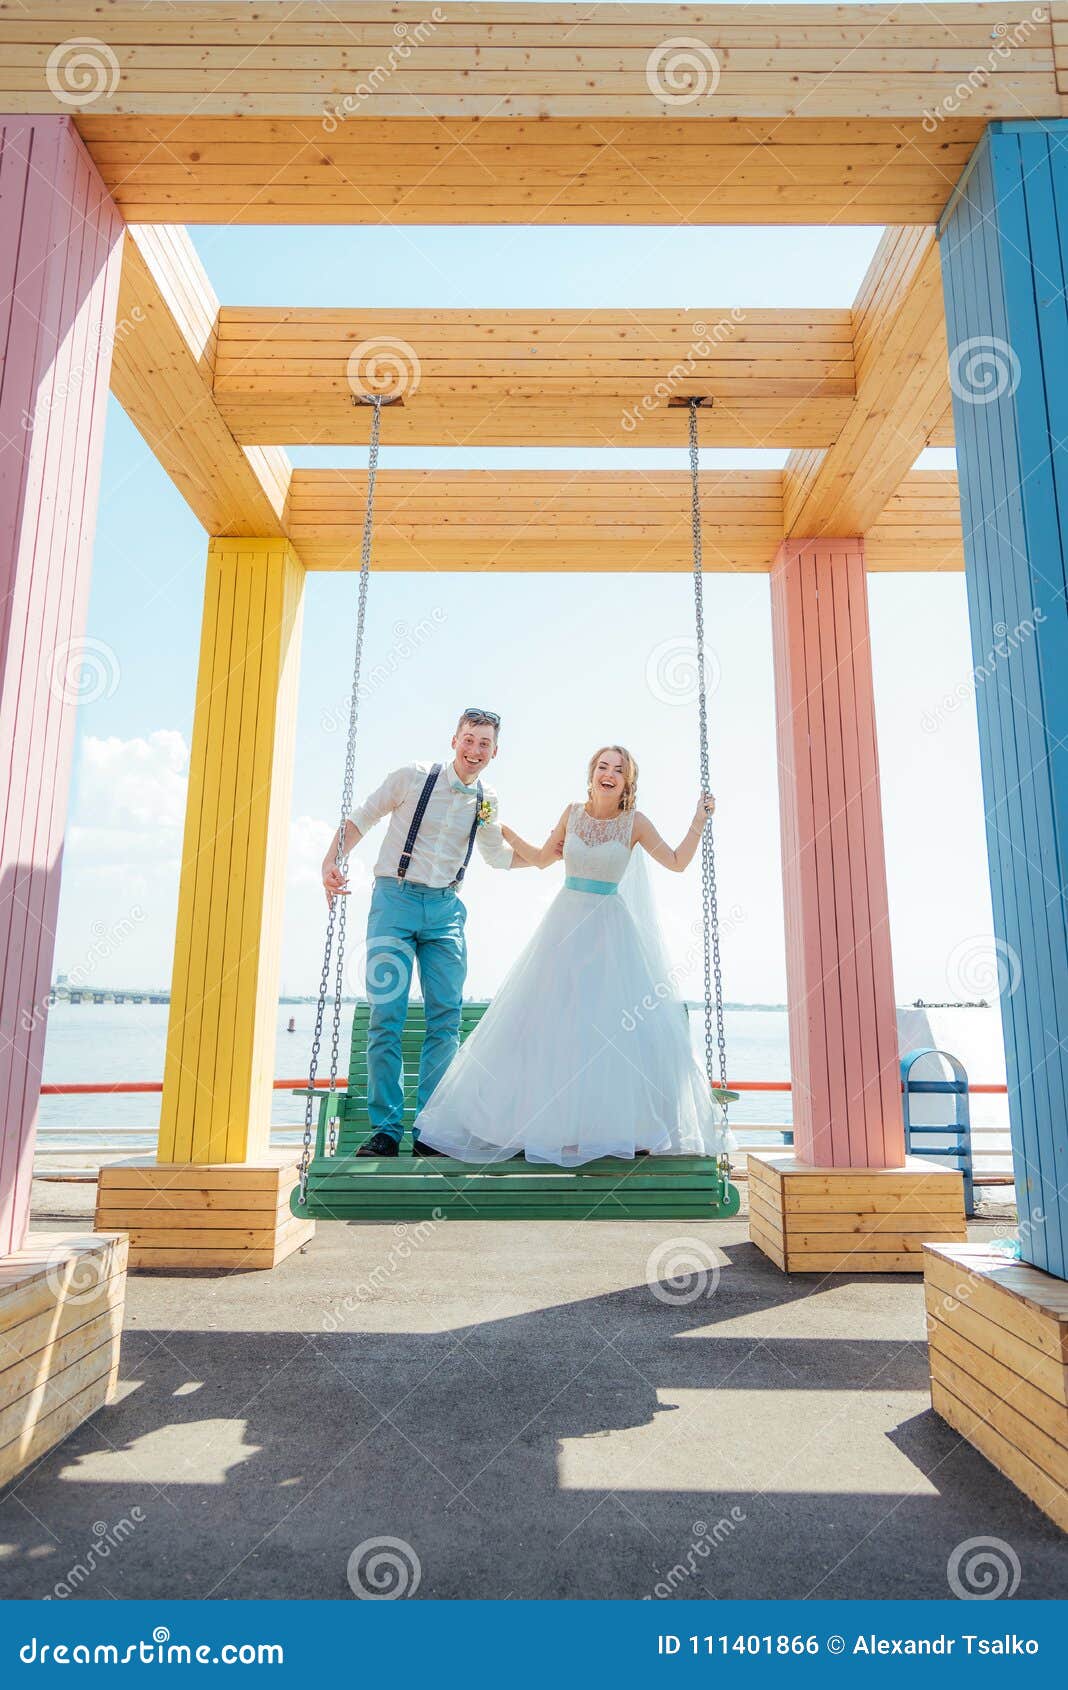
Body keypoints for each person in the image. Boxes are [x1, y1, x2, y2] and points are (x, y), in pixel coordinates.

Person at [414, 744, 732, 1166]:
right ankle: (526, 1125)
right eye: (603, 766)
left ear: (627, 782)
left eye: (618, 770)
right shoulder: (572, 814)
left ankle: (619, 1130)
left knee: (610, 1031)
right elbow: (543, 859)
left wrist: (698, 821)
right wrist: (502, 831)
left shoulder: (635, 823)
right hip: (563, 927)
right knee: (543, 1022)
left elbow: (675, 862)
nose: (609, 773)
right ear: (592, 774)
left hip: (611, 932)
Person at [320, 709, 520, 1158]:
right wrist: (329, 862)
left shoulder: (487, 800)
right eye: (469, 740)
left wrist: (555, 853)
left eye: (484, 744)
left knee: (445, 1019)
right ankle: (387, 1130)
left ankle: (429, 1129)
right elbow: (363, 818)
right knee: (386, 1015)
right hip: (396, 899)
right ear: (454, 740)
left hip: (447, 911)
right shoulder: (411, 777)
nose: (475, 751)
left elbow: (498, 855)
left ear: (495, 751)